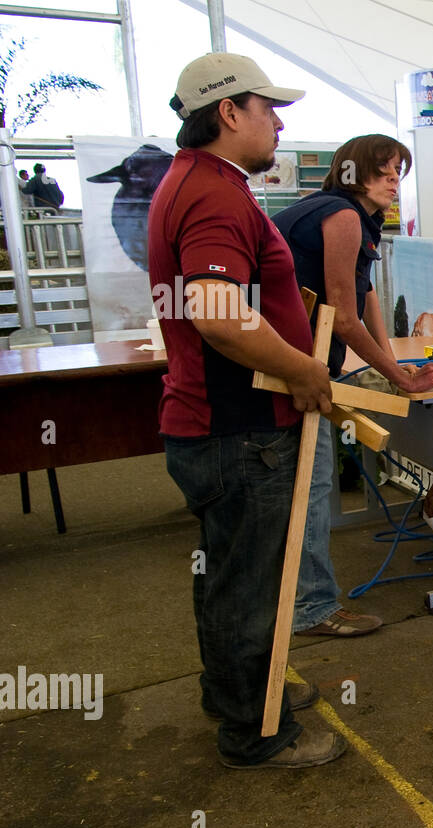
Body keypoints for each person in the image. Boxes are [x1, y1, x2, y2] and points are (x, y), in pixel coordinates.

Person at [148, 52, 346, 769]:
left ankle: (238, 690)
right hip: (239, 430)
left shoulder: (200, 185)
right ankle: (256, 733)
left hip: (219, 424)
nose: (279, 120)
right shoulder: (214, 195)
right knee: (250, 585)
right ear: (227, 112)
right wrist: (303, 370)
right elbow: (218, 315)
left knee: (228, 574)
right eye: (268, 107)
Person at [272, 135, 433, 638]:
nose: (396, 181)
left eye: (400, 171)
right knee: (310, 486)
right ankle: (311, 608)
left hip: (300, 362)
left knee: (309, 484)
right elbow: (344, 318)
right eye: (386, 171)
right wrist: (402, 379)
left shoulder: (353, 218)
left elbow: (366, 295)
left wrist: (396, 369)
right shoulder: (343, 216)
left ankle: (299, 599)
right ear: (355, 173)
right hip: (295, 368)